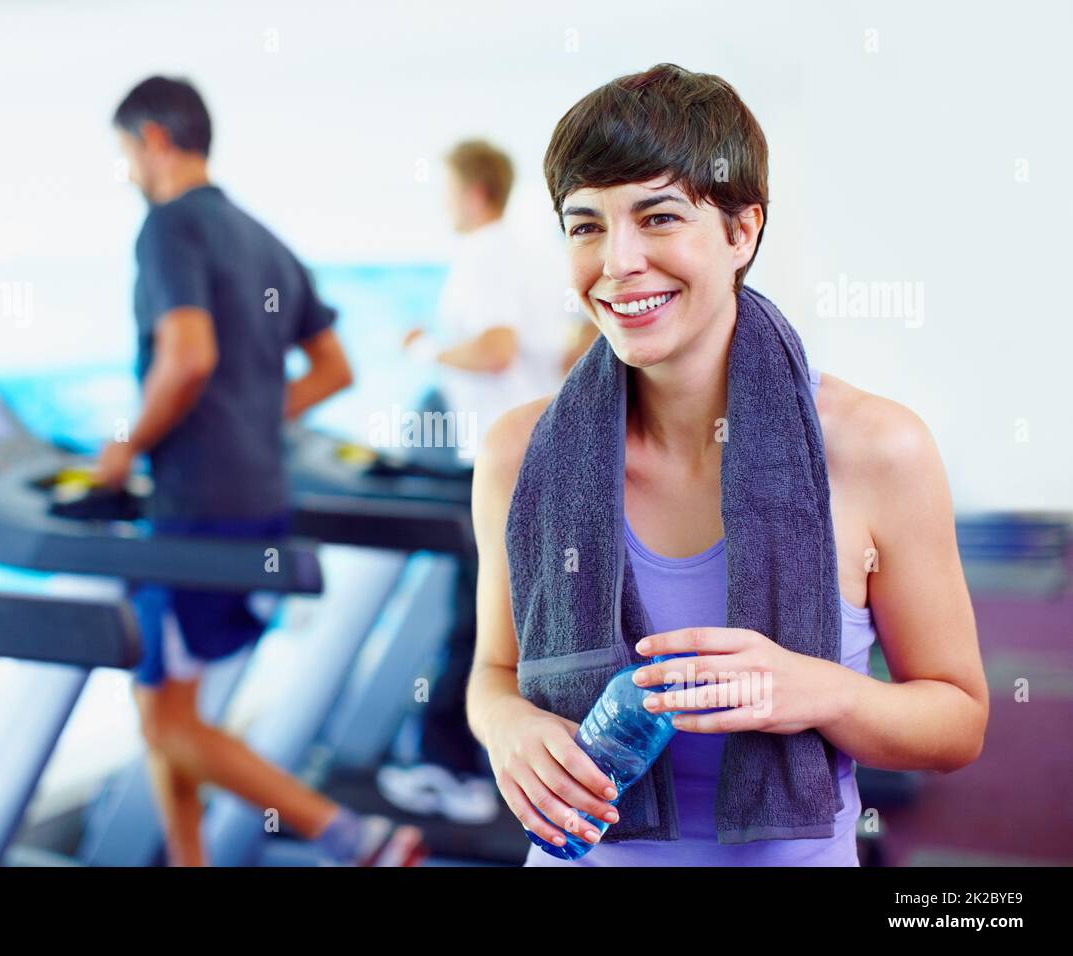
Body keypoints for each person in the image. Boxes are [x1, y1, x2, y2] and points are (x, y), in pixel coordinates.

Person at [465, 64, 988, 865]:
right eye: (586, 226)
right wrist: (506, 725)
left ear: (743, 230)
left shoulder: (879, 450)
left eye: (659, 216)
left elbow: (958, 722)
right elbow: (491, 673)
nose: (619, 262)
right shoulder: (516, 454)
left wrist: (817, 692)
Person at [93, 75, 426, 866]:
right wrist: (253, 415)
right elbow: (335, 366)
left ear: (153, 141)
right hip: (258, 497)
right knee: (165, 705)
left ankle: (355, 838)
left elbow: (188, 357)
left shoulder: (169, 228)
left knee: (169, 723)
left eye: (125, 156)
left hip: (195, 505)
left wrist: (124, 448)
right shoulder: (262, 238)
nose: (129, 174)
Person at [377, 140, 568, 824]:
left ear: (474, 191)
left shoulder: (484, 255)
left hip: (499, 466)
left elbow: (497, 347)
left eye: (447, 187)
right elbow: (570, 347)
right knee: (514, 625)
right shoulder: (536, 258)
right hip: (541, 459)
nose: (442, 201)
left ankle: (449, 768)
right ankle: (497, 771)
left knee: (476, 625)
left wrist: (425, 348)